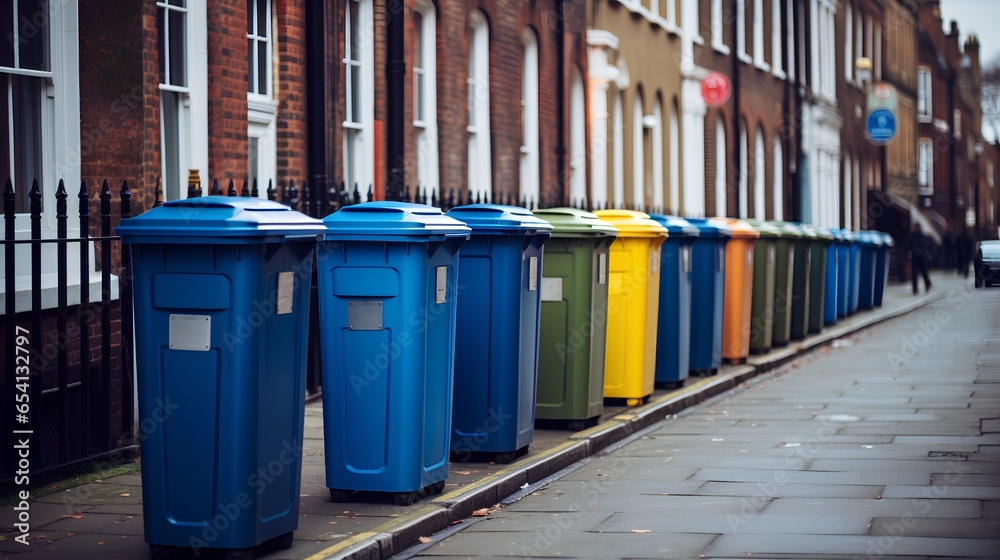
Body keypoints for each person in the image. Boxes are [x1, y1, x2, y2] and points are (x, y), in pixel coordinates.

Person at [907, 223, 933, 294]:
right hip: (921, 255)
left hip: (917, 255)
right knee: (922, 271)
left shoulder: (913, 235)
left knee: (917, 272)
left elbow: (908, 244)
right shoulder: (921, 235)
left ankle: (916, 288)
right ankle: (925, 284)